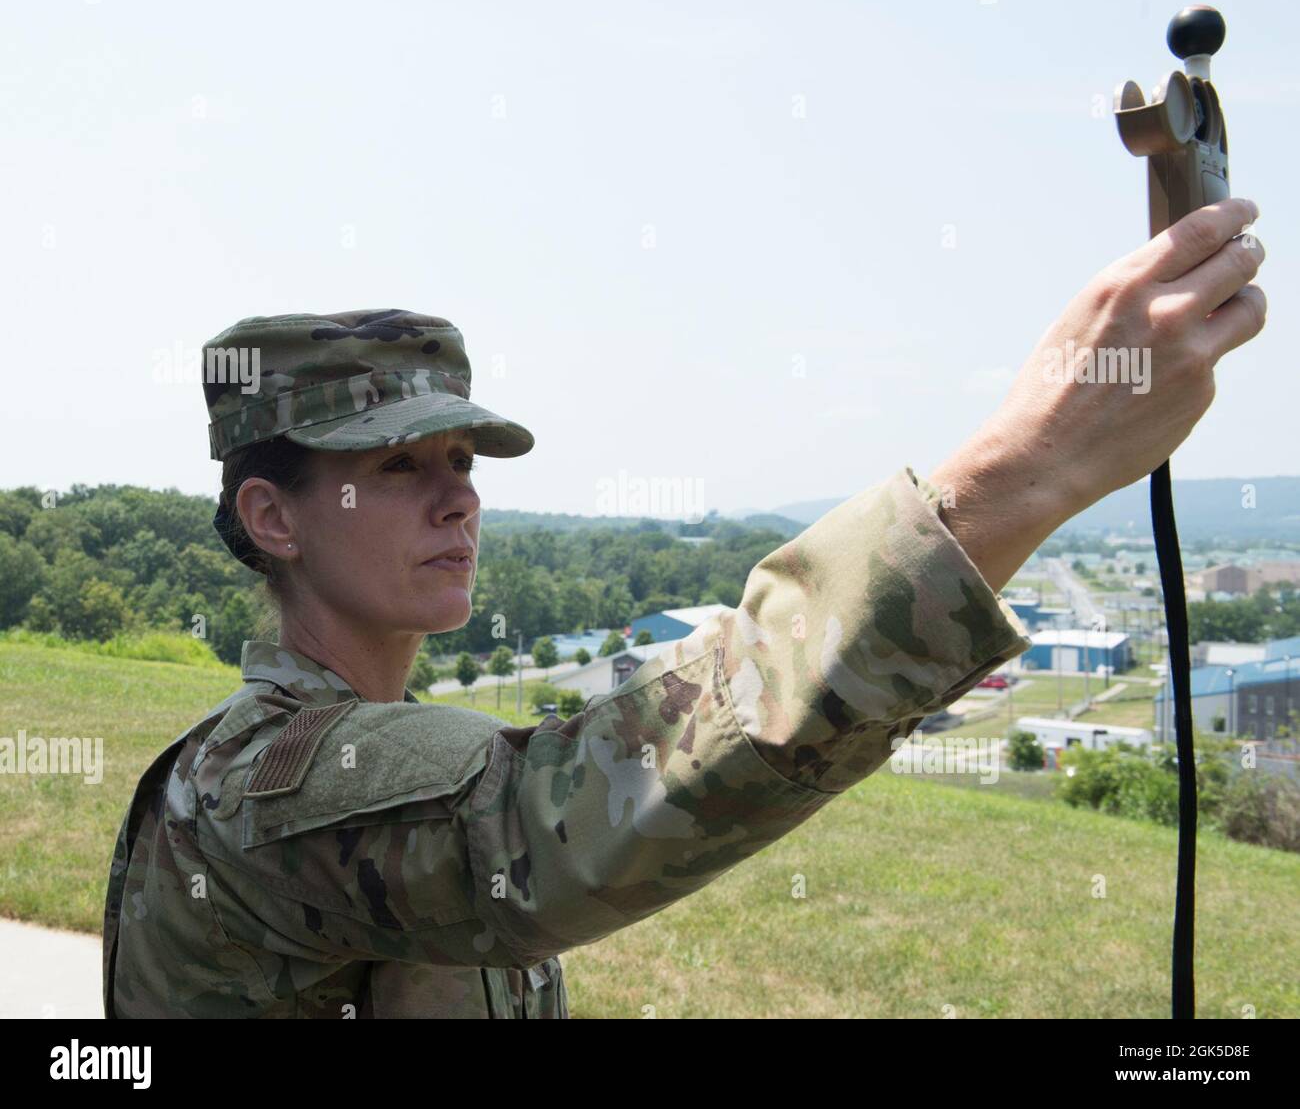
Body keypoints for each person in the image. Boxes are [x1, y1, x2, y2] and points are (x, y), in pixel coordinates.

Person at [102, 199, 1266, 1017]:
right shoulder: (261, 786)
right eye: (398, 465)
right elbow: (559, 817)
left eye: (463, 458)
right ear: (273, 517)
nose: (459, 496)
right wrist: (1023, 470)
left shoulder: (363, 747)